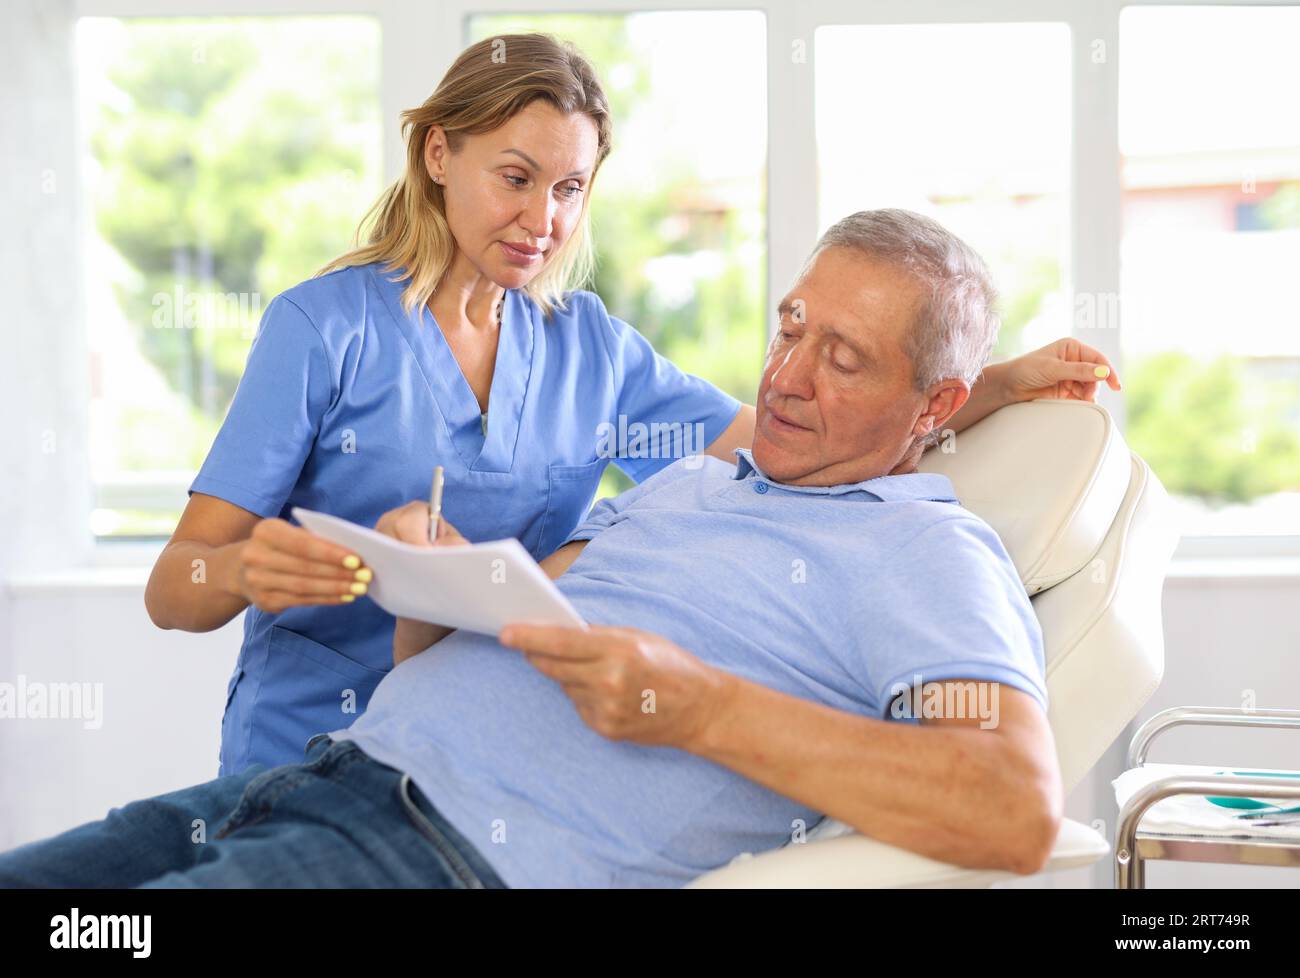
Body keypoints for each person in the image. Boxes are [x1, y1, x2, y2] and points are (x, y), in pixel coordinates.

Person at [145, 32, 1119, 779]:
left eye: (570, 188)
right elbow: (175, 589)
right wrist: (250, 569)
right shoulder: (323, 330)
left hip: (476, 760)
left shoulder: (589, 350)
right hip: (302, 751)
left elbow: (789, 437)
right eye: (515, 179)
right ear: (439, 154)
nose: (543, 221)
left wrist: (980, 388)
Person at [6, 210, 1063, 888]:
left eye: (842, 357)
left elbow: (1013, 805)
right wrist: (431, 577)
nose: (786, 379)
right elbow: (459, 649)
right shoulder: (692, 484)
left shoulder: (924, 549)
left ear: (938, 403)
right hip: (311, 781)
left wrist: (703, 706)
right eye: (789, 329)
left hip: (429, 857)